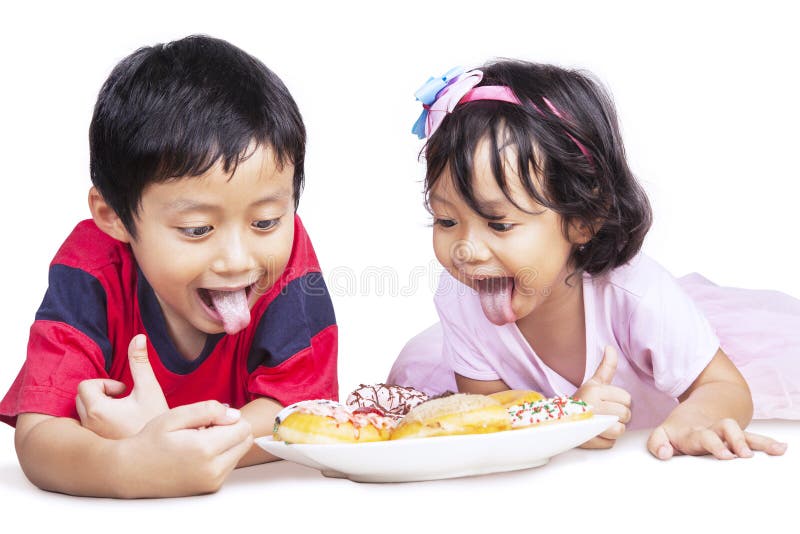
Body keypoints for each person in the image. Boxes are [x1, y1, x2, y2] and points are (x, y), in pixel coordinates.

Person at [390, 61, 799, 460]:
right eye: (446, 220)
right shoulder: (460, 300)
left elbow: (723, 384)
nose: (465, 249)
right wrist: (569, 418)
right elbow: (490, 411)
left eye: (499, 225)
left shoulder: (636, 296)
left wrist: (696, 418)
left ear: (582, 220)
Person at [0, 35, 338, 497]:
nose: (239, 259)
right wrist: (128, 464)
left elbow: (304, 410)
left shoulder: (288, 260)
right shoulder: (92, 267)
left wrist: (176, 442)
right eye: (197, 229)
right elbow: (38, 437)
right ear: (114, 217)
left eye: (265, 221)